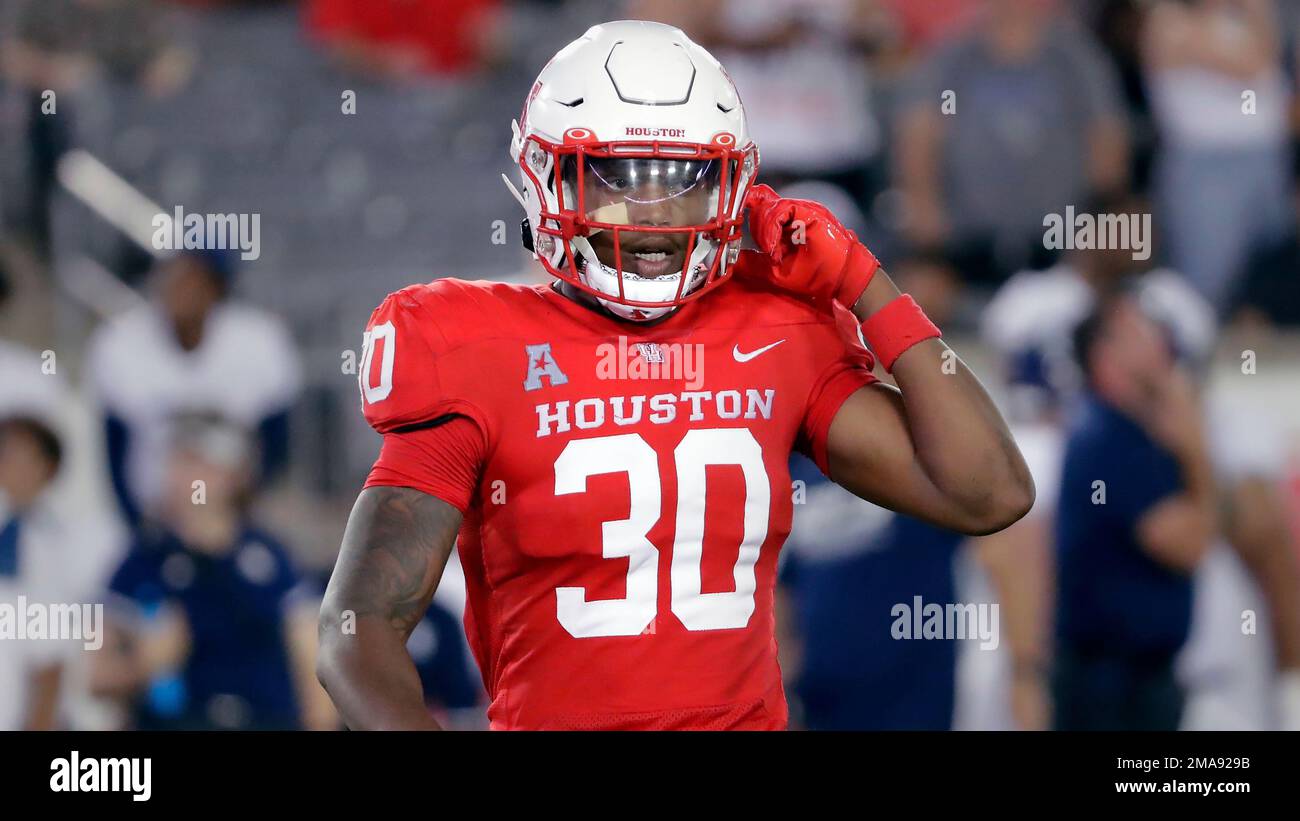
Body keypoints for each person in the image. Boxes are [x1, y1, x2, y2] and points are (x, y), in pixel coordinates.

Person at [316, 20, 1034, 731]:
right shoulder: (475, 346)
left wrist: (862, 279)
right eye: (617, 182)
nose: (652, 219)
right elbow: (357, 629)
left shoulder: (777, 332)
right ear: (546, 176)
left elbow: (988, 491)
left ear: (733, 188)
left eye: (683, 183)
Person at [95, 413, 323, 730]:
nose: (192, 476)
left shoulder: (271, 558)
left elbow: (312, 661)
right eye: (182, 461)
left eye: (204, 464)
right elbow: (96, 676)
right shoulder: (140, 562)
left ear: (236, 475)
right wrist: (145, 665)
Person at [1053, 295, 1216, 730]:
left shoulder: (1144, 434)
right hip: (1106, 687)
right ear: (1105, 354)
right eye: (1140, 330)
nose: (1161, 338)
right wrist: (1197, 449)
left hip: (1145, 679)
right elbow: (1188, 545)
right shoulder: (1104, 438)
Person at [87, 250, 302, 529]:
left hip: (236, 514)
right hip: (154, 516)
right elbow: (115, 449)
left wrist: (246, 511)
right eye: (172, 277)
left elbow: (276, 441)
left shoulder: (259, 341)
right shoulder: (120, 344)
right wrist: (136, 524)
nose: (181, 290)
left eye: (193, 280)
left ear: (217, 287)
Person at [0, 416, 76, 730]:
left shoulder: (51, 547)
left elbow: (49, 660)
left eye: (26, 458)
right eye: (6, 455)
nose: (13, 468)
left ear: (48, 469)